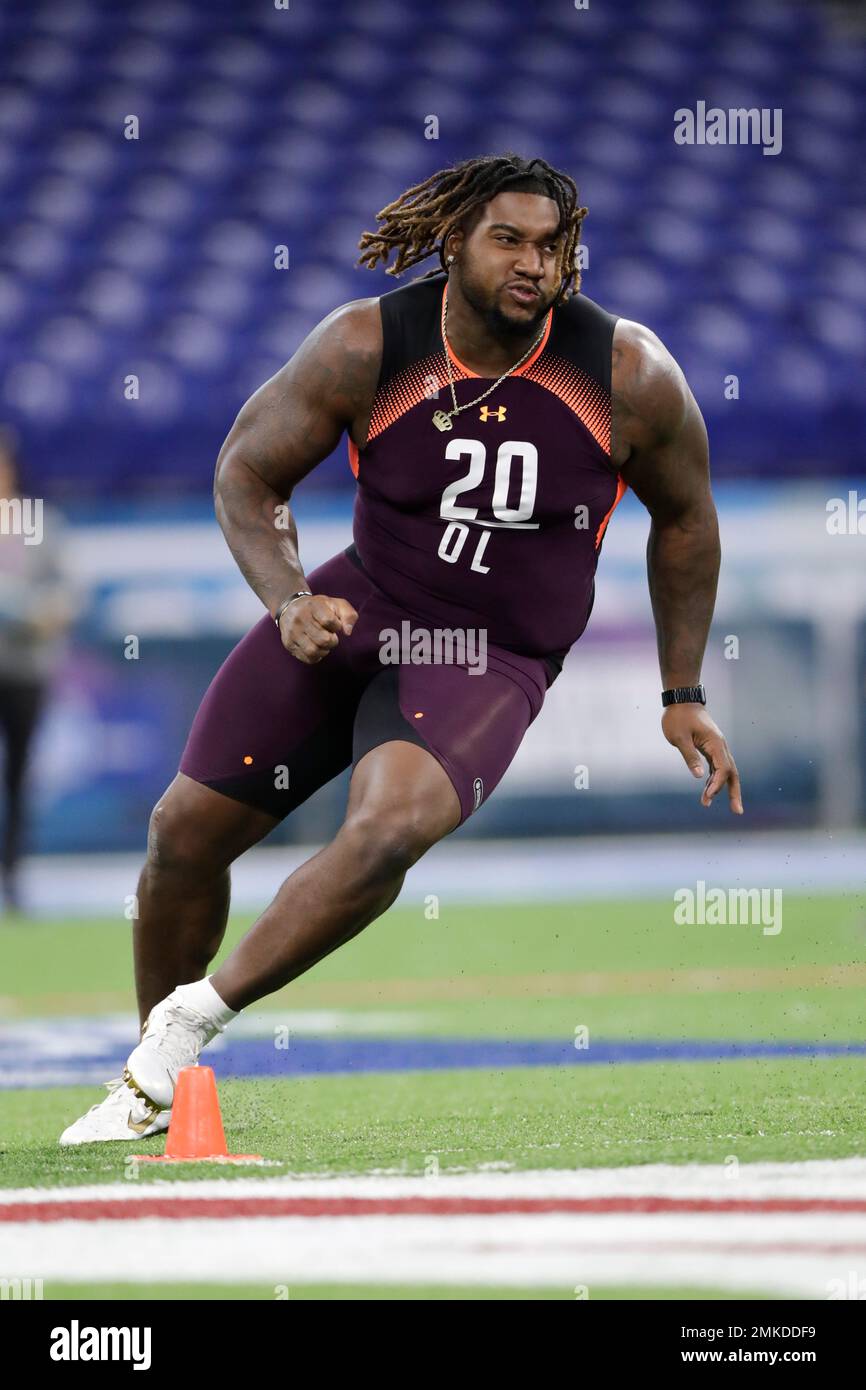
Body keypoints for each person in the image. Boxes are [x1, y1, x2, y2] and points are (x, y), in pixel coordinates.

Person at [60, 153, 741, 1144]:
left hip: (490, 651)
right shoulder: (361, 345)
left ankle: (188, 1021)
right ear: (453, 242)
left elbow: (685, 520)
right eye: (507, 239)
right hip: (354, 607)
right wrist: (288, 598)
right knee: (180, 833)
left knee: (386, 830)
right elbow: (246, 474)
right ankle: (148, 1089)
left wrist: (679, 687)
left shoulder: (626, 373)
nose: (532, 263)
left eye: (551, 246)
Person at [0, 428, 76, 912]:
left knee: (18, 777)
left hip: (25, 667)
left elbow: (67, 592)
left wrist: (42, 612)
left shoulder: (38, 522)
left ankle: (13, 875)